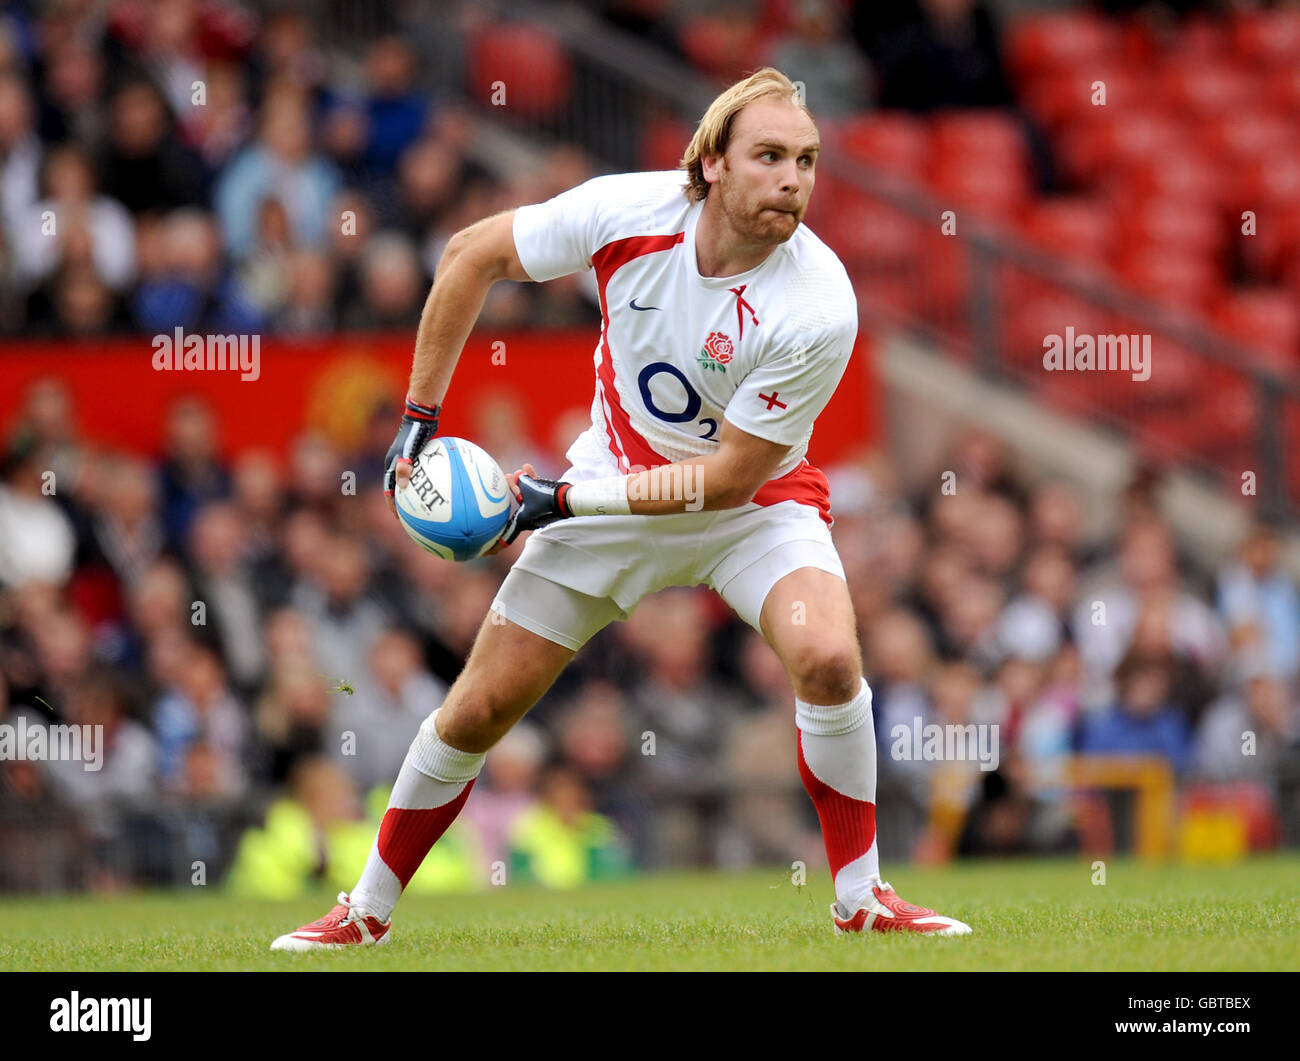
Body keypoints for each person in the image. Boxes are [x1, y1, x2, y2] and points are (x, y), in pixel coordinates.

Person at [270, 67, 970, 950]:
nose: (793, 178)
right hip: (614, 488)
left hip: (750, 508)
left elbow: (727, 479)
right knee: (476, 710)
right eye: (768, 156)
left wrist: (557, 499)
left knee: (829, 658)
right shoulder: (626, 212)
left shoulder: (820, 303)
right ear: (713, 162)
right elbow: (471, 255)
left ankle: (861, 897)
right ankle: (365, 910)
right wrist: (418, 418)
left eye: (806, 160)